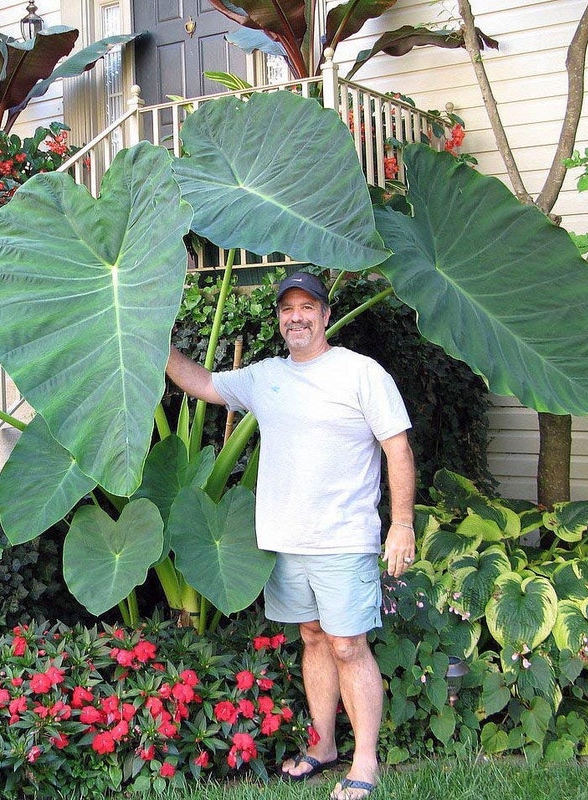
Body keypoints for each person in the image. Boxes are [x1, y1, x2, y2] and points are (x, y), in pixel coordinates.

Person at [166, 271, 416, 800]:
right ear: (279, 319)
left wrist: (402, 524)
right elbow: (205, 384)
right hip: (287, 540)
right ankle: (323, 745)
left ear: (325, 315)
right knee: (312, 637)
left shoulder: (359, 373)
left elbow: (398, 449)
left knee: (349, 645)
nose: (296, 317)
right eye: (287, 309)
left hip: (344, 538)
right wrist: (152, 341)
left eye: (307, 307)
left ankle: (365, 763)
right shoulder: (266, 377)